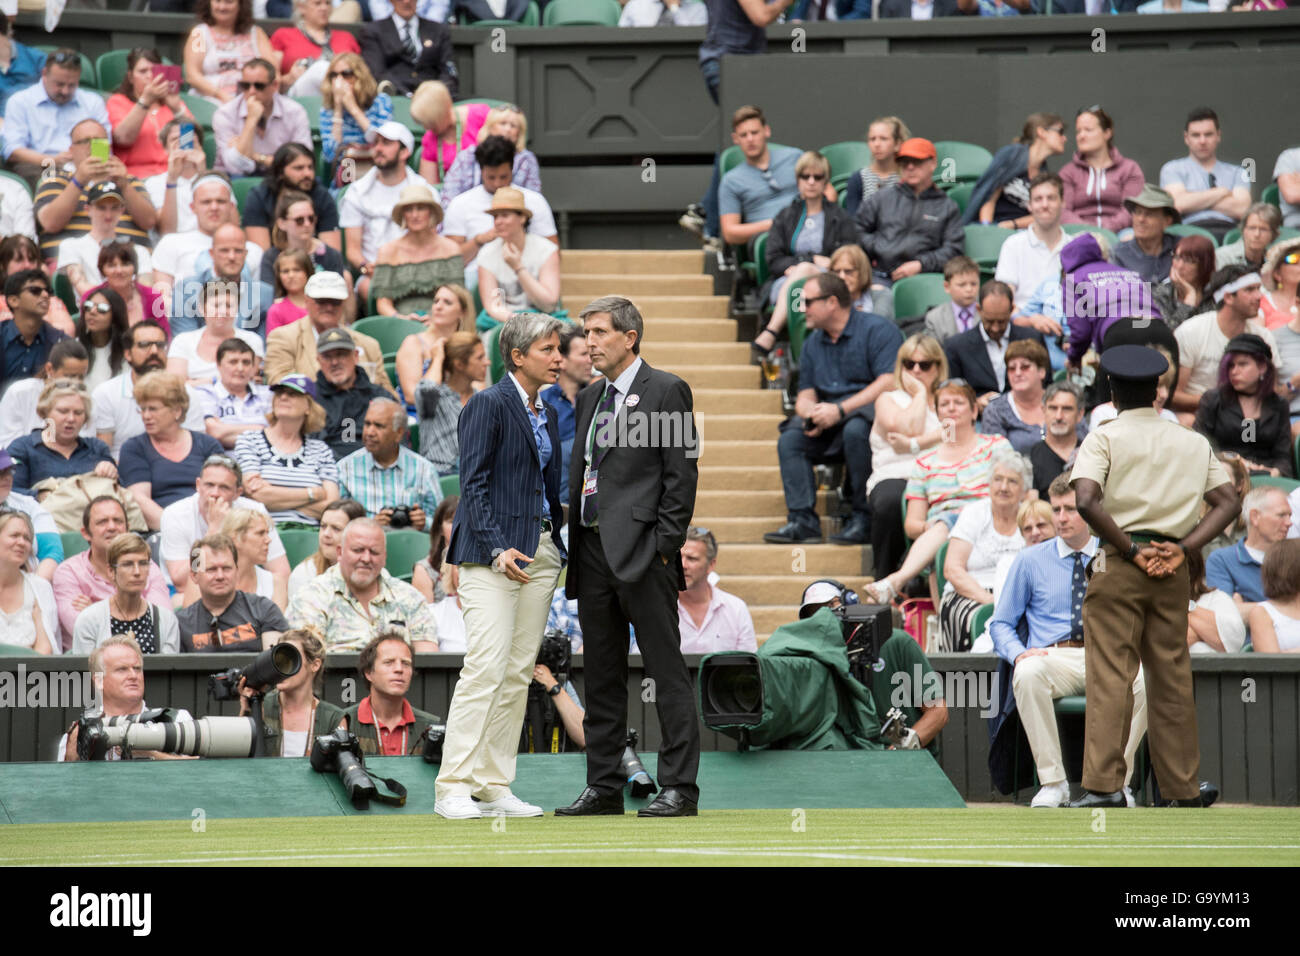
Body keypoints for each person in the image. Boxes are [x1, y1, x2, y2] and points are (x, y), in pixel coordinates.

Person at [1068, 344, 1238, 809]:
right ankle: (1182, 789)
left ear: (1112, 390)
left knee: (1111, 675)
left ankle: (1104, 788)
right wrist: (1184, 548)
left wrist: (1130, 549)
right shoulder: (1191, 440)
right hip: (1172, 566)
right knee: (1172, 677)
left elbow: (1085, 500)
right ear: (1158, 390)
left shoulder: (1104, 436)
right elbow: (1228, 501)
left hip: (1120, 561)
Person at [556, 296, 700, 819]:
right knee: (601, 673)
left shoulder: (667, 389)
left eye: (598, 332)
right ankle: (604, 786)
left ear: (629, 337)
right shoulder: (589, 396)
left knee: (666, 670)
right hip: (592, 551)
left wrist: (663, 548)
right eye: (585, 333)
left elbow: (681, 476)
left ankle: (679, 787)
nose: (588, 342)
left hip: (644, 553)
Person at [433, 314, 565, 819]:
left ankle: (492, 784)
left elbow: (545, 489)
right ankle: (452, 787)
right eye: (548, 349)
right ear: (517, 355)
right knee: (485, 667)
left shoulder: (548, 412)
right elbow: (473, 484)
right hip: (492, 555)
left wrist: (554, 543)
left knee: (515, 673)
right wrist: (495, 547)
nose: (558, 358)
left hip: (540, 553)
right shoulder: (487, 403)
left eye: (559, 349)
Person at [990, 474, 1149, 808]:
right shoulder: (1030, 560)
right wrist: (1019, 654)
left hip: (1107, 656)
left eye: (1071, 509)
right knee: (1027, 672)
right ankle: (1053, 783)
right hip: (1054, 657)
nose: (1061, 518)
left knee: (1146, 681)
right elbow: (1001, 624)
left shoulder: (1114, 555)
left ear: (1091, 511)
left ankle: (1116, 784)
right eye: (1057, 509)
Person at [764, 273, 902, 546]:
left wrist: (840, 409)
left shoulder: (877, 330)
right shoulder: (812, 342)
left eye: (808, 302)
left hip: (868, 419)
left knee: (856, 429)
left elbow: (889, 381)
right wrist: (810, 413)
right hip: (828, 422)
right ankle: (802, 521)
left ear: (832, 302)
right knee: (791, 439)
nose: (802, 309)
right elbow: (805, 393)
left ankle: (863, 518)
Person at [865, 379, 1011, 605]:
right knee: (946, 524)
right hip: (945, 535)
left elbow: (1015, 489)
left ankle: (897, 580)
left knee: (957, 519)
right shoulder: (924, 462)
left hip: (991, 521)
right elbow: (912, 524)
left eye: (958, 402)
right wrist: (929, 526)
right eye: (944, 404)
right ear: (937, 414)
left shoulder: (996, 446)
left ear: (974, 411)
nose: (951, 408)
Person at [752, 150, 859, 355]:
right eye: (805, 176)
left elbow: (848, 254)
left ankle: (772, 331)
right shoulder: (785, 216)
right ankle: (801, 349)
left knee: (805, 272)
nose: (811, 182)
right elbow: (773, 260)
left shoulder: (839, 216)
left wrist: (810, 265)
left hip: (829, 280)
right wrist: (810, 260)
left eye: (817, 177)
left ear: (825, 181)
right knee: (802, 273)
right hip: (786, 283)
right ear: (798, 180)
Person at [287, 517, 438, 651]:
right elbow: (306, 661)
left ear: (384, 557)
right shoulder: (311, 597)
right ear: (339, 552)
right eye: (358, 550)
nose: (366, 558)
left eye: (374, 552)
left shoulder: (410, 598)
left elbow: (427, 660)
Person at [866, 333, 945, 582]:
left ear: (938, 367)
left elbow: (956, 435)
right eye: (909, 364)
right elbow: (908, 427)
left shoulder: (947, 400)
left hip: (939, 478)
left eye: (925, 365)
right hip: (895, 475)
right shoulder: (888, 399)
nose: (916, 370)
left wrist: (913, 445)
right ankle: (885, 579)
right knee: (891, 502)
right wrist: (920, 393)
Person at [159, 453, 291, 596]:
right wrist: (213, 531)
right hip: (189, 594)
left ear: (237, 492)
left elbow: (281, 571)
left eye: (224, 487)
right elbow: (182, 582)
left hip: (244, 590)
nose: (215, 493)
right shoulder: (175, 514)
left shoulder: (254, 511)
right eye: (209, 485)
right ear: (198, 485)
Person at [940, 448, 1031, 652]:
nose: (1004, 487)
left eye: (1012, 481)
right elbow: (952, 569)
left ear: (1024, 490)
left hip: (1017, 594)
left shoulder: (1030, 517)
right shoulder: (974, 513)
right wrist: (990, 600)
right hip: (969, 592)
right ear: (989, 484)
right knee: (971, 616)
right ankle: (968, 672)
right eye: (998, 479)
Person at [33, 117, 159, 261]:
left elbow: (149, 222)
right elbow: (50, 223)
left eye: (98, 141)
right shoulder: (57, 180)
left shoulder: (128, 181)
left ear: (108, 146)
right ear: (71, 150)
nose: (92, 147)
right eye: (85, 141)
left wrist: (123, 184)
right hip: (73, 262)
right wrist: (79, 181)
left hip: (129, 261)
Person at [855, 136, 964, 303]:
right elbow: (856, 230)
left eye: (917, 162)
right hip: (880, 276)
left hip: (926, 279)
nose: (910, 167)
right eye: (905, 162)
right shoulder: (882, 198)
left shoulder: (947, 206)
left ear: (932, 164)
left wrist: (921, 264)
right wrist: (879, 247)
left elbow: (953, 250)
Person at [52, 495, 168, 647]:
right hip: (88, 659)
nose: (112, 527)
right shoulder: (69, 572)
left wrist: (94, 611)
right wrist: (135, 618)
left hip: (144, 657)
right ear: (86, 533)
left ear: (127, 528)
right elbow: (81, 630)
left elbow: (162, 624)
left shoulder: (147, 566)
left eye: (118, 521)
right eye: (102, 522)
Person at [1172, 265, 1280, 425]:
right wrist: (1220, 402)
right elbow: (1173, 395)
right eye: (1250, 290)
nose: (1259, 296)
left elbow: (1273, 390)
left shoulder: (1262, 337)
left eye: (1259, 288)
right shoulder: (1192, 331)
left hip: (1245, 417)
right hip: (1198, 415)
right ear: (1228, 297)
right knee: (1187, 422)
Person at [119, 371, 226, 530]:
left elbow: (223, 489)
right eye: (142, 409)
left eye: (153, 409)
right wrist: (177, 529)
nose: (146, 416)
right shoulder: (134, 448)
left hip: (209, 524)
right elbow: (140, 500)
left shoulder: (207, 445)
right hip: (161, 529)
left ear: (177, 411)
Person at [338, 122, 433, 301]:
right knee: (368, 287)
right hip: (373, 274)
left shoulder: (425, 191)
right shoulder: (356, 192)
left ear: (404, 152)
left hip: (417, 269)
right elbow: (352, 250)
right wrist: (367, 267)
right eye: (376, 143)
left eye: (386, 143)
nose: (378, 148)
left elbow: (432, 240)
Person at [58, 636, 194, 762]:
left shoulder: (175, 719)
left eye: (137, 668)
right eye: (122, 669)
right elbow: (65, 779)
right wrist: (72, 758)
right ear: (99, 681)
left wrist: (151, 754)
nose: (133, 675)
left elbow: (197, 771)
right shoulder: (79, 734)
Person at [443, 136, 558, 283]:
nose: (497, 183)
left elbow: (552, 253)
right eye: (491, 177)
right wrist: (479, 241)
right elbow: (451, 263)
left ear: (512, 168)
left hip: (526, 275)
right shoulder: (460, 204)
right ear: (481, 170)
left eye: (503, 177)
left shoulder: (534, 201)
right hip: (476, 277)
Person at [234, 374, 340, 526]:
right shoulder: (250, 440)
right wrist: (312, 493)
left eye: (292, 394)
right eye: (279, 393)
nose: (283, 397)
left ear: (308, 407)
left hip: (310, 532)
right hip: (263, 530)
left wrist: (274, 499)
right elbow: (255, 494)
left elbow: (331, 507)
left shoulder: (321, 450)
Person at [92, 321, 205, 460]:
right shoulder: (106, 394)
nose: (154, 351)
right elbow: (101, 457)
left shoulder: (185, 393)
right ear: (128, 354)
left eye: (160, 345)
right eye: (144, 345)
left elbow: (196, 449)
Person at [264, 272, 392, 392]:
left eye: (335, 301)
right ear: (306, 300)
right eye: (321, 301)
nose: (329, 307)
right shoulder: (283, 338)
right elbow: (282, 388)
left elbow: (389, 395)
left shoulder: (368, 345)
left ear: (344, 303)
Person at [1, 50, 111, 189]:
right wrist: (52, 160)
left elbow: (104, 144)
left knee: (113, 183)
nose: (65, 91)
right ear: (44, 74)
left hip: (87, 164)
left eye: (72, 85)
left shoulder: (92, 102)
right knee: (53, 186)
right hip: (43, 165)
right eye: (59, 84)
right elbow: (12, 151)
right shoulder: (20, 101)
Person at [150, 176, 259, 312]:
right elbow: (162, 297)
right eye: (206, 202)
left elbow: (259, 298)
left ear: (231, 206)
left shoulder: (253, 250)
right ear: (193, 207)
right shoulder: (170, 244)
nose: (214, 207)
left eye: (220, 201)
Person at [1193, 334, 1293, 477]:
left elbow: (1283, 456)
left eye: (1242, 364)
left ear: (1262, 367)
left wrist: (1275, 472)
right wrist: (1232, 461)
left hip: (1266, 476)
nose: (1234, 371)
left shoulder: (1279, 404)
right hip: (1224, 474)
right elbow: (1200, 446)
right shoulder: (1213, 399)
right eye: (1231, 365)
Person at [1060, 232, 1156, 377]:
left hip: (1119, 335)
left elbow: (1081, 333)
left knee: (1111, 392)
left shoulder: (1073, 279)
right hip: (1158, 330)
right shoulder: (1131, 273)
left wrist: (1074, 357)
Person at [241, 629, 347, 758]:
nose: (280, 668)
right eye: (278, 659)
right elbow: (240, 760)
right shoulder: (261, 705)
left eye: (289, 660)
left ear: (315, 665)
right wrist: (247, 710)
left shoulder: (333, 718)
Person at [71, 532, 182, 654]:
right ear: (111, 571)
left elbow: (167, 665)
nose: (137, 572)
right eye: (128, 564)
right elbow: (88, 665)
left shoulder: (166, 619)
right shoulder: (89, 620)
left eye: (143, 563)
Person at [338, 397, 441, 526]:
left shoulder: (423, 469)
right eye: (367, 424)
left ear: (399, 433)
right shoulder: (345, 468)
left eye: (379, 426)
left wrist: (424, 523)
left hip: (410, 537)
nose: (370, 432)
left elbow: (441, 522)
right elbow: (337, 521)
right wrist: (370, 523)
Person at [178, 532, 290, 651]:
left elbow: (275, 659)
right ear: (194, 575)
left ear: (237, 571)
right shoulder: (182, 623)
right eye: (211, 569)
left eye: (226, 568)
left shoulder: (263, 609)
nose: (220, 576)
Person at [942, 281, 1047, 409]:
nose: (995, 328)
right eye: (989, 321)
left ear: (1012, 310)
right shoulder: (956, 346)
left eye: (1001, 321)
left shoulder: (1032, 338)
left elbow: (1046, 385)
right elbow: (952, 394)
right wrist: (975, 403)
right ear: (979, 310)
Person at [6, 379, 116, 496]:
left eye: (78, 413)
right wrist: (40, 495)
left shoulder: (97, 448)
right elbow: (9, 493)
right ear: (44, 413)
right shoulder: (22, 449)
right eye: (63, 411)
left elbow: (117, 490)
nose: (71, 419)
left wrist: (110, 470)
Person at [1159, 107, 1252, 243]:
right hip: (1188, 233)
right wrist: (1221, 192)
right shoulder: (1172, 169)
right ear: (1186, 138)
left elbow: (1242, 210)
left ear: (1218, 136)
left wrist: (1193, 200)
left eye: (1208, 134)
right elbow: (1178, 204)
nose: (1202, 141)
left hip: (1230, 232)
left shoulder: (1239, 172)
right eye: (1196, 135)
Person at [341, 630, 443, 755]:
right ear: (368, 672)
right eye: (388, 662)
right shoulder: (345, 722)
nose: (399, 669)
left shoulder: (430, 726)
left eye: (406, 663)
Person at [373, 183, 465, 319]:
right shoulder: (387, 251)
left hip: (443, 318)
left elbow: (459, 297)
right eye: (409, 210)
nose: (415, 215)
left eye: (421, 208)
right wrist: (400, 318)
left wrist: (436, 319)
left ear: (431, 212)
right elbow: (383, 302)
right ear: (403, 214)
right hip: (401, 321)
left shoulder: (451, 248)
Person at [212, 59, 312, 180]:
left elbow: (303, 161)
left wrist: (255, 156)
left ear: (275, 86)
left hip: (281, 178)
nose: (252, 91)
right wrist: (251, 119)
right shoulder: (225, 114)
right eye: (245, 86)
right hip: (237, 179)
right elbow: (235, 168)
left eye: (259, 86)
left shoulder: (294, 111)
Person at [965, 113, 1068, 230]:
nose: (1064, 138)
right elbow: (988, 198)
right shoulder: (1012, 155)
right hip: (994, 226)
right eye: (1060, 132)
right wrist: (987, 229)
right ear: (1042, 132)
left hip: (1022, 232)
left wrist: (1012, 224)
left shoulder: (1044, 173)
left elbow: (1041, 215)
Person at [475, 187, 559, 330]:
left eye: (505, 215)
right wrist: (516, 321)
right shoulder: (486, 254)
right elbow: (493, 306)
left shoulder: (547, 249)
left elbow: (549, 303)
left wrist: (518, 268)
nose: (498, 221)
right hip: (503, 321)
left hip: (543, 318)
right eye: (495, 217)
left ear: (522, 218)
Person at [717, 105, 800, 249]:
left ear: (766, 131)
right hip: (768, 240)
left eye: (754, 133)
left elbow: (828, 193)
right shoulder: (731, 181)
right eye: (743, 135)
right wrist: (775, 223)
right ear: (735, 139)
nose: (750, 139)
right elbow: (729, 233)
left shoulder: (795, 157)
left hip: (806, 226)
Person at [310, 328, 400, 460]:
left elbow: (397, 441)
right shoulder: (309, 400)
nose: (334, 362)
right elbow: (310, 448)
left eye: (341, 354)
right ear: (318, 360)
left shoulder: (380, 397)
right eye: (327, 357)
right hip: (327, 467)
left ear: (356, 356)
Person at [1205, 484, 1292, 621]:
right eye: (1281, 515)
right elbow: (1223, 617)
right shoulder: (1222, 560)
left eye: (1290, 515)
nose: (1289, 522)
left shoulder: (1295, 557)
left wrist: (1247, 608)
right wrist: (1288, 607)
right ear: (1255, 517)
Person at [56, 183, 154, 301]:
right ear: (88, 209)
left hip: (132, 307)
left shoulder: (139, 251)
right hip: (92, 307)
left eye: (114, 208)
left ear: (122, 210)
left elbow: (145, 290)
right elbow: (81, 286)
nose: (108, 215)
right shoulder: (71, 246)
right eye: (101, 208)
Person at [106, 48, 193, 180]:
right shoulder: (118, 102)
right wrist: (145, 101)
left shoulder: (173, 103)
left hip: (176, 174)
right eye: (143, 71)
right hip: (137, 178)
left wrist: (177, 110)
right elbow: (123, 139)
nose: (150, 76)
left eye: (154, 71)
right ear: (130, 77)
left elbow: (189, 143)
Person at [994, 172, 1070, 319]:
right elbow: (1005, 300)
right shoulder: (1013, 245)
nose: (1045, 205)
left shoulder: (1075, 248)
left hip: (1064, 325)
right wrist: (1029, 322)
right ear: (1029, 205)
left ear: (1063, 203)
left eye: (1051, 198)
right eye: (1038, 199)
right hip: (1022, 323)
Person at [1059, 106, 1145, 233]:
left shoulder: (1129, 169)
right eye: (1078, 131)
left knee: (1130, 236)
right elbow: (1063, 212)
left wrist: (1106, 231)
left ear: (1107, 133)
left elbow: (1131, 209)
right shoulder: (1068, 172)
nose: (1081, 136)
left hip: (1119, 233)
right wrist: (1088, 232)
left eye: (1088, 130)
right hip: (1079, 233)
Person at [243, 143, 342, 252]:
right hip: (274, 261)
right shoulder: (260, 196)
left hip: (314, 259)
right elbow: (260, 253)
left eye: (310, 167)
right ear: (280, 172)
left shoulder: (322, 196)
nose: (307, 173)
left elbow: (332, 253)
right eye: (299, 168)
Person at [395, 281, 474, 414]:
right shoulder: (413, 343)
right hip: (421, 416)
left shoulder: (469, 346)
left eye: (447, 302)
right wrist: (437, 359)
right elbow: (412, 396)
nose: (438, 306)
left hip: (460, 414)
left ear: (462, 312)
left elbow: (478, 390)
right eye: (436, 301)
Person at [438, 104, 541, 207]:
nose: (507, 129)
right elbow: (449, 194)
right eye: (503, 123)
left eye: (513, 126)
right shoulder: (467, 156)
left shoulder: (527, 160)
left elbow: (533, 198)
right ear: (490, 127)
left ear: (519, 133)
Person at [166, 280, 266, 385]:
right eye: (216, 305)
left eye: (229, 306)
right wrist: (215, 380)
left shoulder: (251, 341)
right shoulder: (183, 341)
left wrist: (195, 382)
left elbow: (246, 382)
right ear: (202, 308)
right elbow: (175, 385)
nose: (223, 311)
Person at [414, 331, 487, 473]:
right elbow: (425, 388)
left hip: (475, 475)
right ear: (459, 364)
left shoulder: (481, 399)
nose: (487, 362)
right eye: (480, 358)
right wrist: (438, 357)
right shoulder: (435, 397)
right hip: (440, 475)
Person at [258, 189, 349, 301]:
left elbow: (337, 297)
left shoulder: (331, 255)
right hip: (285, 310)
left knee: (347, 278)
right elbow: (270, 298)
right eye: (299, 220)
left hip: (324, 308)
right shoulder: (271, 257)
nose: (307, 224)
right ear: (282, 223)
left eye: (311, 218)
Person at [676, 527, 756, 654]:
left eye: (692, 559)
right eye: (678, 558)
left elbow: (748, 662)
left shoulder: (736, 609)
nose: (683, 565)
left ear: (711, 565)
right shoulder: (658, 607)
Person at [182, 0, 276, 106]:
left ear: (241, 5)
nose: (222, 7)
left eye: (229, 2)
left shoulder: (256, 32)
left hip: (254, 97)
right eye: (217, 1)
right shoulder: (199, 34)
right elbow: (192, 75)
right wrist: (222, 96)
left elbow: (272, 70)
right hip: (211, 100)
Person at [0, 340, 91, 449]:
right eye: (69, 376)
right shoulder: (19, 393)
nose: (75, 383)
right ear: (49, 369)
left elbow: (85, 446)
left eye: (81, 377)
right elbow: (7, 444)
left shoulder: (85, 400)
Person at [359, 0, 459, 97]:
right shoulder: (374, 31)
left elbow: (448, 70)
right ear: (391, 1)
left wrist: (436, 94)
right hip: (394, 97)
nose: (406, 1)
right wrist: (407, 94)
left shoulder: (438, 30)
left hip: (433, 98)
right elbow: (377, 72)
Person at [319, 53, 392, 176]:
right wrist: (338, 109)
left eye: (346, 74)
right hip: (347, 174)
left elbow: (383, 144)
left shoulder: (381, 101)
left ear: (359, 76)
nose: (339, 80)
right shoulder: (327, 110)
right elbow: (330, 156)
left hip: (377, 170)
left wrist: (353, 108)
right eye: (334, 75)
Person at [980, 339, 1057, 454]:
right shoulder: (995, 410)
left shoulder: (1061, 401)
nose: (1018, 373)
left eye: (1025, 367)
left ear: (1041, 372)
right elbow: (994, 456)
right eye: (1011, 369)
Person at [271, 0, 363, 96]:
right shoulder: (283, 35)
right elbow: (269, 81)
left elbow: (361, 75)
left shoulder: (346, 37)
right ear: (301, 8)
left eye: (327, 3)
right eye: (317, 3)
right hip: (298, 96)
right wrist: (290, 78)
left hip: (344, 94)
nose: (324, 8)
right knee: (320, 68)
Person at [539, 323, 592, 483]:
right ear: (562, 360)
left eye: (590, 354)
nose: (590, 360)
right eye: (583, 354)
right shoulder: (543, 403)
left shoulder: (597, 398)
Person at [410, 80, 488, 189]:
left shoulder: (480, 116)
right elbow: (430, 188)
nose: (427, 128)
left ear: (444, 111)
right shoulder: (430, 138)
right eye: (424, 124)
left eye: (431, 123)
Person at [0, 269, 67, 395]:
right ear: (13, 300)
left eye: (48, 291)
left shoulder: (60, 342)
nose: (45, 295)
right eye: (35, 290)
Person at [196, 338, 271, 449]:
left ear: (253, 367)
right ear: (218, 365)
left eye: (246, 362)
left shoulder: (268, 394)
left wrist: (225, 430)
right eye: (233, 362)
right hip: (220, 458)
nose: (240, 368)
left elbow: (278, 434)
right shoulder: (205, 393)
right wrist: (261, 429)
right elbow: (214, 432)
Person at [85, 242, 168, 341]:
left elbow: (164, 335)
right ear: (102, 269)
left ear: (135, 267)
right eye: (111, 265)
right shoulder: (90, 297)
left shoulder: (153, 297)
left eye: (125, 264)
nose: (119, 271)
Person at [0, 449, 62, 580]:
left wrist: (34, 587)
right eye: (1, 472)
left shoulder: (28, 505)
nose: (7, 477)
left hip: (31, 580)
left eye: (10, 471)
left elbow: (52, 552)